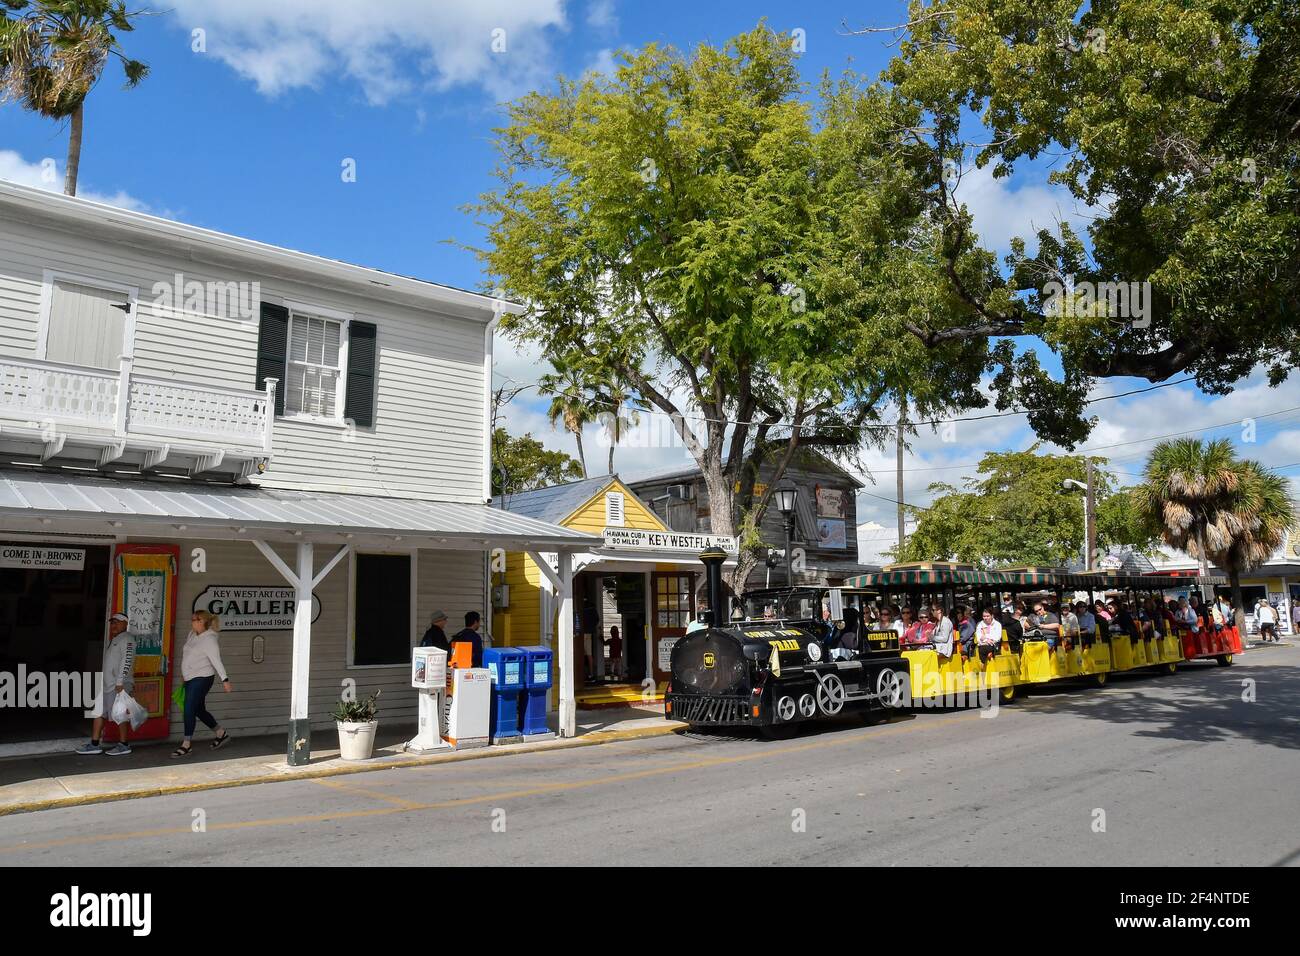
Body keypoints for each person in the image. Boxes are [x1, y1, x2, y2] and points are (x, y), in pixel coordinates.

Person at [75, 612, 138, 756]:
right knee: (98, 713)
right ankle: (94, 744)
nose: (114, 625)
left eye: (117, 622)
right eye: (112, 622)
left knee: (120, 714)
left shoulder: (127, 639)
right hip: (107, 685)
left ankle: (124, 744)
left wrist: (120, 681)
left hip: (119, 685)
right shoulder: (116, 639)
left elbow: (126, 661)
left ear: (125, 623)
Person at [172, 610, 232, 758]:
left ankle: (186, 744)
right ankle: (220, 733)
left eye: (194, 620)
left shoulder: (209, 640)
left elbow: (216, 661)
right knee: (198, 709)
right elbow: (187, 656)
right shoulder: (192, 635)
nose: (191, 622)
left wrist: (225, 680)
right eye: (191, 619)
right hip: (190, 678)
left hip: (203, 678)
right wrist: (184, 675)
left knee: (189, 708)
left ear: (202, 622)